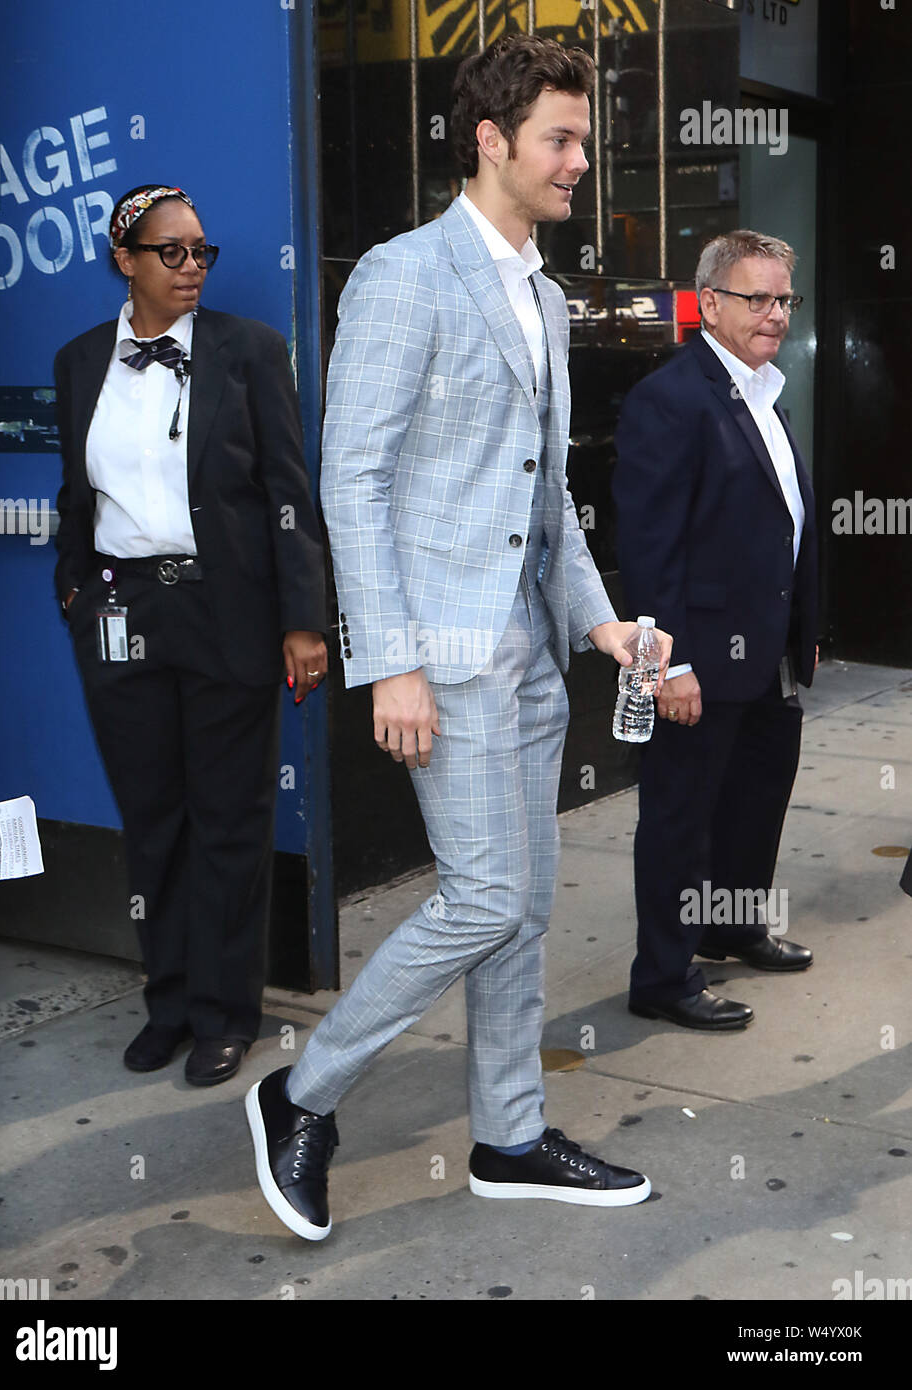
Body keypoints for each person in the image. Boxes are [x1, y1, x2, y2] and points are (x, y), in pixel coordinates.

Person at [245, 35, 671, 1242]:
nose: (580, 161)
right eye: (560, 138)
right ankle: (302, 1092)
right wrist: (391, 659)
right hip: (441, 653)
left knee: (523, 907)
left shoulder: (541, 294)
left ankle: (508, 1131)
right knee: (484, 898)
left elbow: (541, 503)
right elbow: (353, 476)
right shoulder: (403, 274)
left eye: (583, 139)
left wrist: (603, 621)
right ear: (490, 139)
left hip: (529, 658)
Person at [54, 185, 327, 1085]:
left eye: (201, 251)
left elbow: (290, 495)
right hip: (122, 617)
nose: (192, 268)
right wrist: (76, 593)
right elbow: (76, 495)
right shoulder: (79, 360)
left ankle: (223, 1013)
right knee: (152, 823)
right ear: (124, 260)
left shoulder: (250, 351)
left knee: (228, 824)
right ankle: (167, 1002)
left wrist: (300, 620)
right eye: (171, 252)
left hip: (227, 614)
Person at [613, 230, 819, 1032]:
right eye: (757, 298)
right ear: (709, 303)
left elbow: (783, 528)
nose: (775, 315)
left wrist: (800, 638)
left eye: (784, 299)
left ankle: (730, 927)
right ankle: (663, 976)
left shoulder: (767, 393)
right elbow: (648, 549)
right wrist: (670, 665)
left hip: (768, 656)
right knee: (679, 818)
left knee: (754, 802)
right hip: (696, 659)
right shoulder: (669, 399)